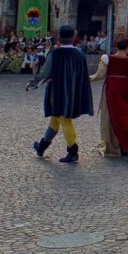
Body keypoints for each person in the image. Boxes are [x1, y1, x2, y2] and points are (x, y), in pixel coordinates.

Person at [27, 25, 94, 164]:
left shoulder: (55, 53)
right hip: (73, 92)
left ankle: (73, 151)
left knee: (64, 119)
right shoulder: (79, 53)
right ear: (73, 37)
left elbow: (45, 72)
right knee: (55, 120)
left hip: (58, 92)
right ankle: (41, 147)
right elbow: (82, 74)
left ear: (59, 38)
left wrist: (32, 84)